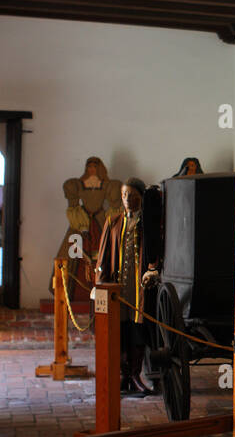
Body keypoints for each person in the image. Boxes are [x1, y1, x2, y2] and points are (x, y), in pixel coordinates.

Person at [94, 178, 160, 396]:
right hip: (118, 288)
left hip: (139, 289)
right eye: (124, 195)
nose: (127, 199)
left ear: (140, 197)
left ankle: (135, 374)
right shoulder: (113, 222)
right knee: (119, 330)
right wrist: (100, 283)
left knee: (138, 330)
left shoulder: (147, 224)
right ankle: (123, 375)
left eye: (132, 195)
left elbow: (154, 251)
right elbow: (104, 255)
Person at [52, 157, 122, 301]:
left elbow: (114, 204)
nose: (91, 169)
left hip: (100, 221)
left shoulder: (107, 185)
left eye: (94, 167)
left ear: (99, 168)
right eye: (89, 166)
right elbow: (73, 204)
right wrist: (81, 223)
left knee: (103, 252)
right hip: (82, 221)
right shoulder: (78, 184)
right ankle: (76, 293)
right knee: (74, 253)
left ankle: (102, 289)